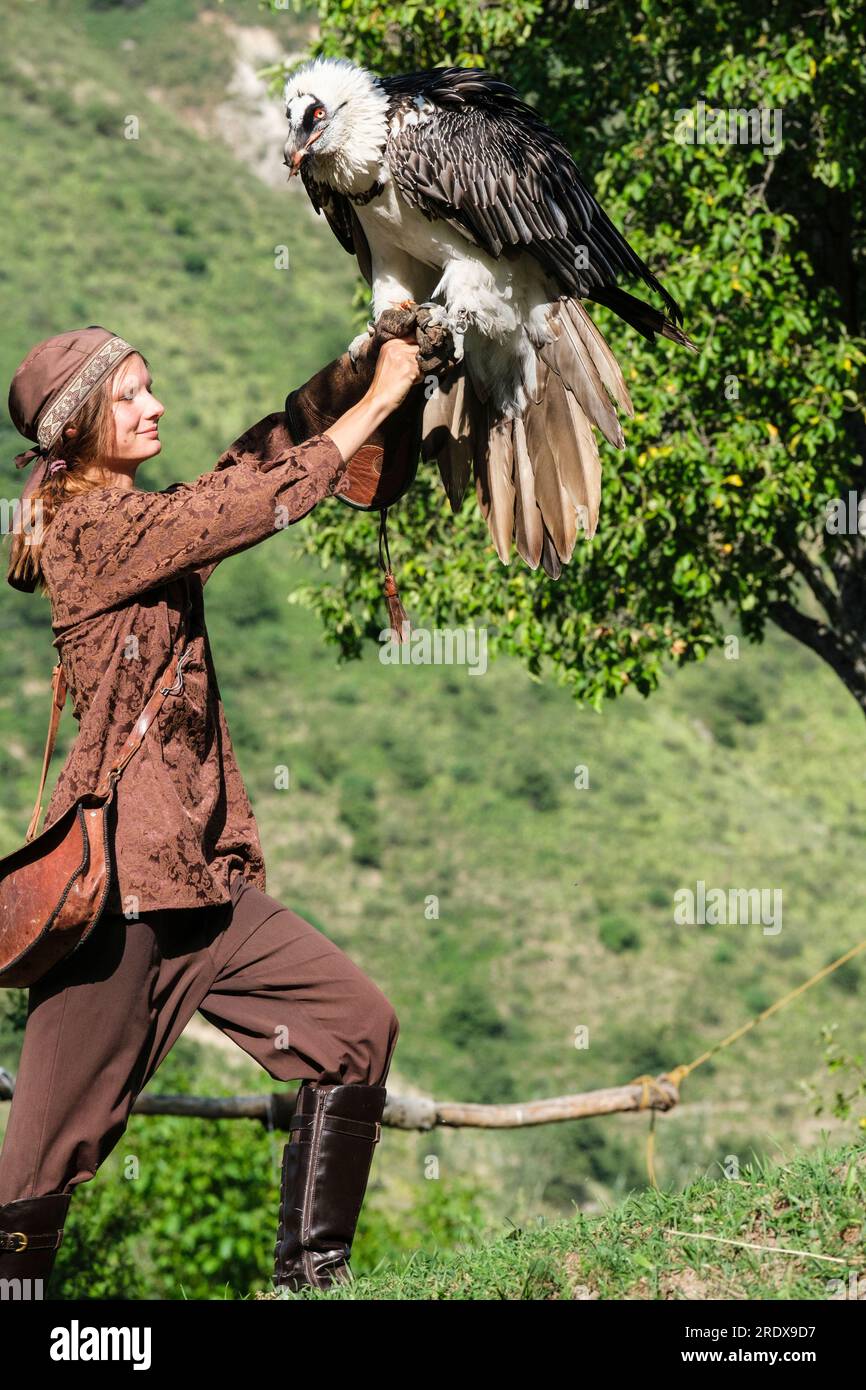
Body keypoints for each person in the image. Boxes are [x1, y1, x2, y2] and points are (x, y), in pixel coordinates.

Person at [0, 316, 425, 1298]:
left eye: (150, 386)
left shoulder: (138, 521)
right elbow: (253, 505)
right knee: (32, 1181)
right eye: (129, 395)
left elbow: (245, 468)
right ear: (76, 427)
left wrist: (355, 367)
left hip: (206, 883)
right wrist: (377, 403)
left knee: (356, 1027)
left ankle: (311, 1283)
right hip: (120, 901)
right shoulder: (89, 528)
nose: (154, 405)